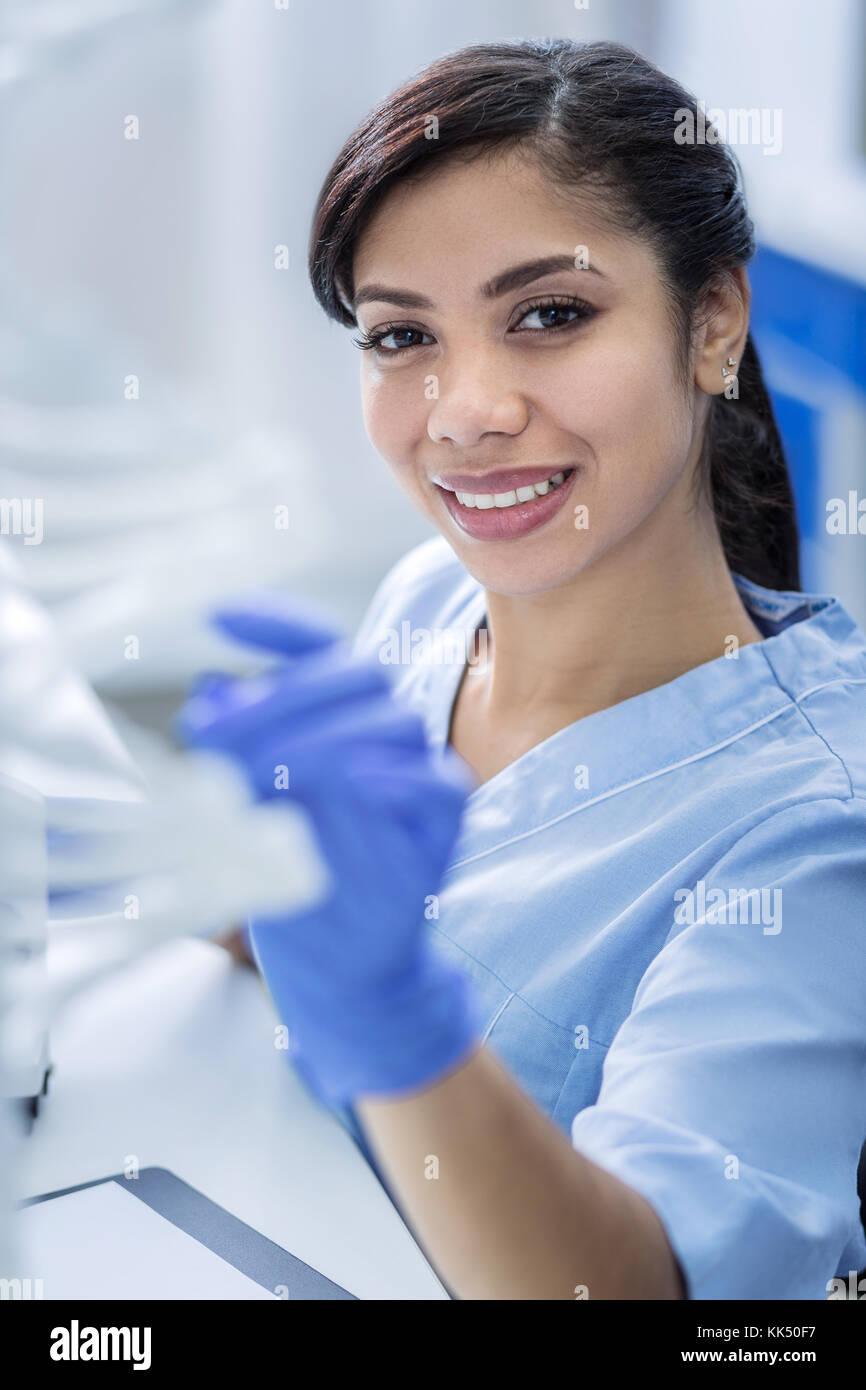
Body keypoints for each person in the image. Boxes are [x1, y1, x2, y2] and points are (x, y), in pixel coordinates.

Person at [180, 39, 866, 1300]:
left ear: (712, 319)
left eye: (548, 315)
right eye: (401, 335)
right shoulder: (423, 605)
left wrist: (399, 1016)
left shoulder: (816, 831)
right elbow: (273, 942)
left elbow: (652, 1297)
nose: (463, 407)